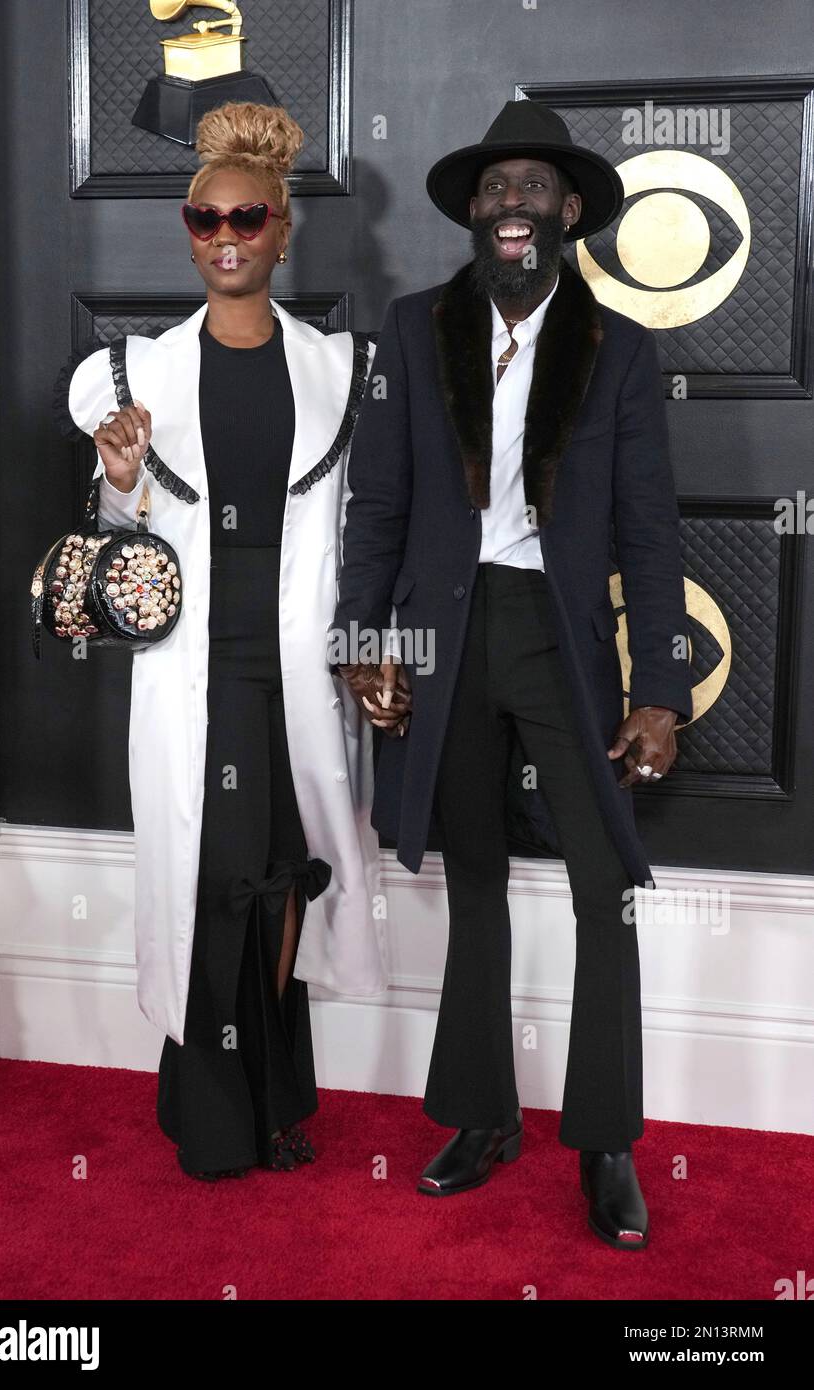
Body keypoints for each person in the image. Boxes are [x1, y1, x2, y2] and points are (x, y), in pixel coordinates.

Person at [332, 99, 693, 1248]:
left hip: (559, 635)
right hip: (441, 630)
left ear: (569, 211)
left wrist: (659, 689)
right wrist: (361, 643)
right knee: (471, 877)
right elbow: (376, 508)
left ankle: (603, 1144)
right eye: (493, 189)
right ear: (473, 214)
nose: (510, 204)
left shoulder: (619, 348)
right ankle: (481, 1116)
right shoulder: (409, 327)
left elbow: (649, 532)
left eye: (531, 187)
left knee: (603, 885)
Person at [54, 101, 401, 1181]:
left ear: (283, 229)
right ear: (188, 229)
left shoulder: (339, 374)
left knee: (281, 882)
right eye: (206, 219)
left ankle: (278, 1102)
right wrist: (116, 488)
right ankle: (212, 1120)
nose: (227, 237)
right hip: (186, 679)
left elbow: (360, 537)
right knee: (204, 884)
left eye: (249, 217)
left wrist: (376, 651)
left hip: (292, 677)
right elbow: (125, 561)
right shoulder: (132, 379)